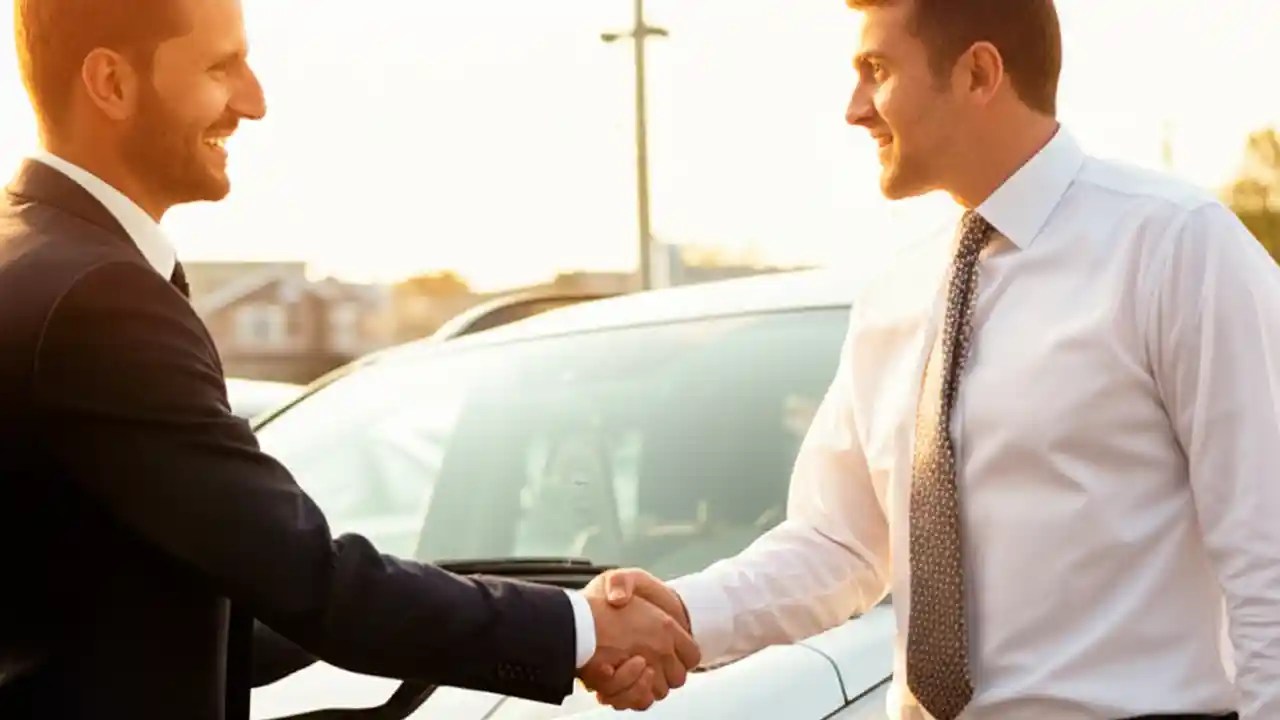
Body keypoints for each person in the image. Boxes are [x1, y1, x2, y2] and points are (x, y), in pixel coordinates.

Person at [0, 0, 695, 717]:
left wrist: (540, 615)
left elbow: (165, 594)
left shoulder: (28, 256)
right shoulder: (101, 298)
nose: (254, 101)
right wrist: (577, 631)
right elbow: (306, 576)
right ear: (110, 83)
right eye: (220, 66)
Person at [587, 0, 1280, 718]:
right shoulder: (897, 295)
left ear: (979, 72)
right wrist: (678, 612)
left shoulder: (1176, 247)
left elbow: (1270, 551)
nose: (856, 109)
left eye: (877, 71)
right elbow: (836, 544)